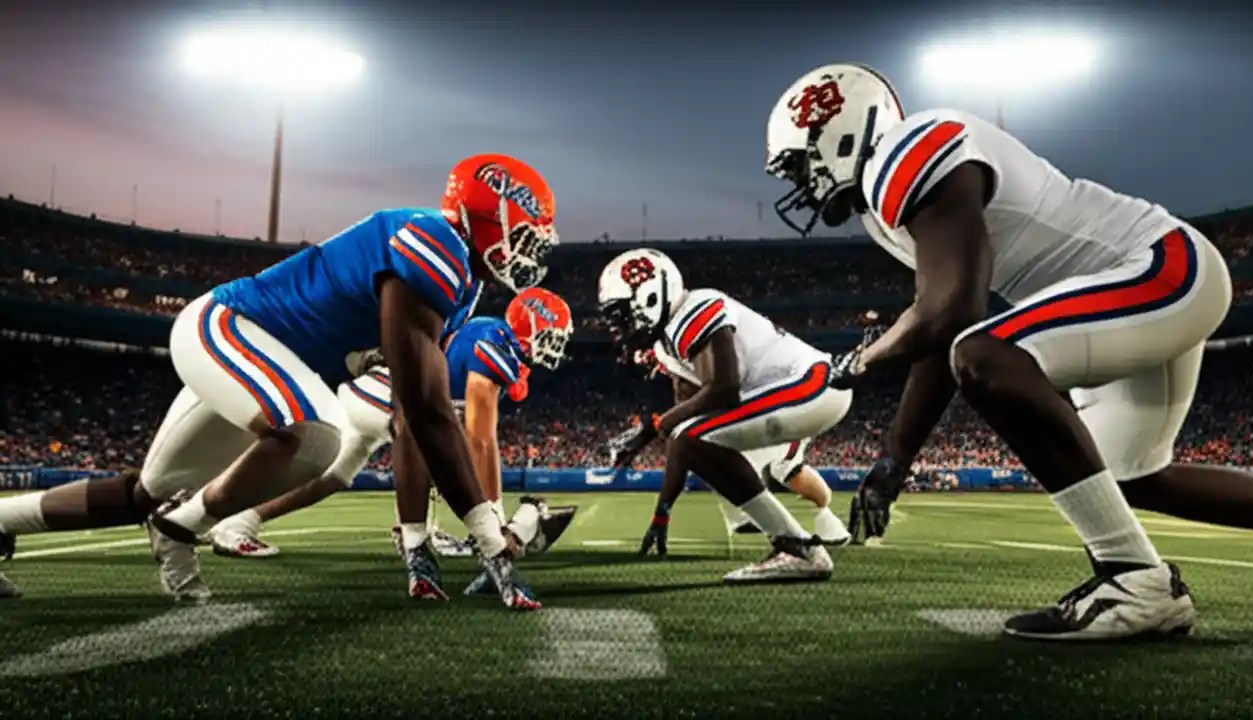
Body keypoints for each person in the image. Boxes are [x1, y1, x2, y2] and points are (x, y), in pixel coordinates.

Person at [765, 63, 1253, 639]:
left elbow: (951, 316)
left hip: (1158, 268)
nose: (800, 185)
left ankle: (1134, 578)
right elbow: (942, 331)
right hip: (1138, 286)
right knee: (1130, 475)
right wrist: (893, 460)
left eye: (799, 164)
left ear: (839, 135)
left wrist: (863, 360)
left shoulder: (907, 149)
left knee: (987, 355)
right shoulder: (891, 202)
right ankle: (1139, 584)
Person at [0, 154, 558, 610]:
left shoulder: (461, 288)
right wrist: (490, 535)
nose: (530, 254)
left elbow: (414, 415)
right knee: (317, 434)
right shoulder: (434, 242)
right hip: (232, 328)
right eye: (526, 237)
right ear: (490, 218)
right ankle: (182, 525)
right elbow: (428, 410)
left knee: (144, 492)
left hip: (265, 359)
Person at [208, 288, 577, 565]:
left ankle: (237, 522)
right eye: (552, 335)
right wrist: (493, 514)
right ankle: (416, 533)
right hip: (387, 394)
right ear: (530, 325)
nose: (556, 346)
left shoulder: (490, 334)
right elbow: (481, 438)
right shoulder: (496, 343)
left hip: (375, 393)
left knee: (331, 477)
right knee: (438, 451)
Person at [601, 249, 849, 583]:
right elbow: (684, 439)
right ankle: (793, 545)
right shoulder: (667, 345)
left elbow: (724, 389)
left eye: (622, 315)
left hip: (814, 384)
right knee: (696, 439)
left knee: (693, 436)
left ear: (650, 297)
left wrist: (655, 426)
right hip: (794, 395)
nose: (619, 328)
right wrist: (663, 511)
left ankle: (796, 547)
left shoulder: (695, 308)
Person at [629, 346, 850, 553]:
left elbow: (698, 403)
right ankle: (751, 518)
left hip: (795, 393)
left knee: (779, 467)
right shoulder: (693, 359)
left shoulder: (697, 352)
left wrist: (658, 426)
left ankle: (821, 521)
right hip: (773, 398)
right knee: (716, 450)